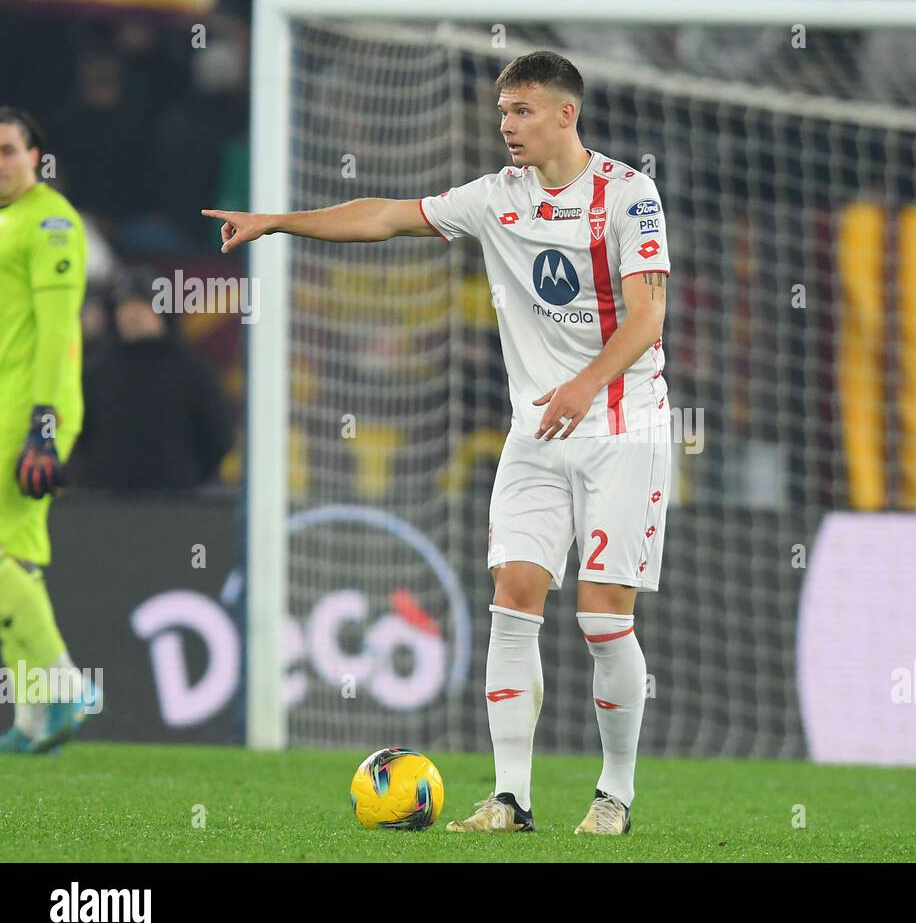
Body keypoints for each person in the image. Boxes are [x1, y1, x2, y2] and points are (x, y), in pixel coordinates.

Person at [203, 50, 671, 835]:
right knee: (513, 600)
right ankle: (511, 800)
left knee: (600, 617)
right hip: (535, 431)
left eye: (521, 110)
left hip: (623, 428)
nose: (506, 125)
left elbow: (648, 316)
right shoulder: (495, 198)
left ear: (566, 113)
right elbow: (386, 215)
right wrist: (278, 220)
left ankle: (613, 795)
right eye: (501, 111)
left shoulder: (629, 194)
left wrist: (588, 383)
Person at [0, 107, 98, 753]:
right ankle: (35, 715)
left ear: (36, 156)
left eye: (8, 149)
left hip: (30, 407)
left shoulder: (51, 221)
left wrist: (42, 423)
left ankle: (64, 685)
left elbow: (60, 328)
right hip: (12, 401)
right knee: (18, 558)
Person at [72, 268, 234, 491]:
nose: (133, 315)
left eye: (142, 305)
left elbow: (219, 435)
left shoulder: (192, 370)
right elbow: (77, 432)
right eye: (126, 306)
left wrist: (188, 477)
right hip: (105, 505)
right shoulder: (95, 371)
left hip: (175, 504)